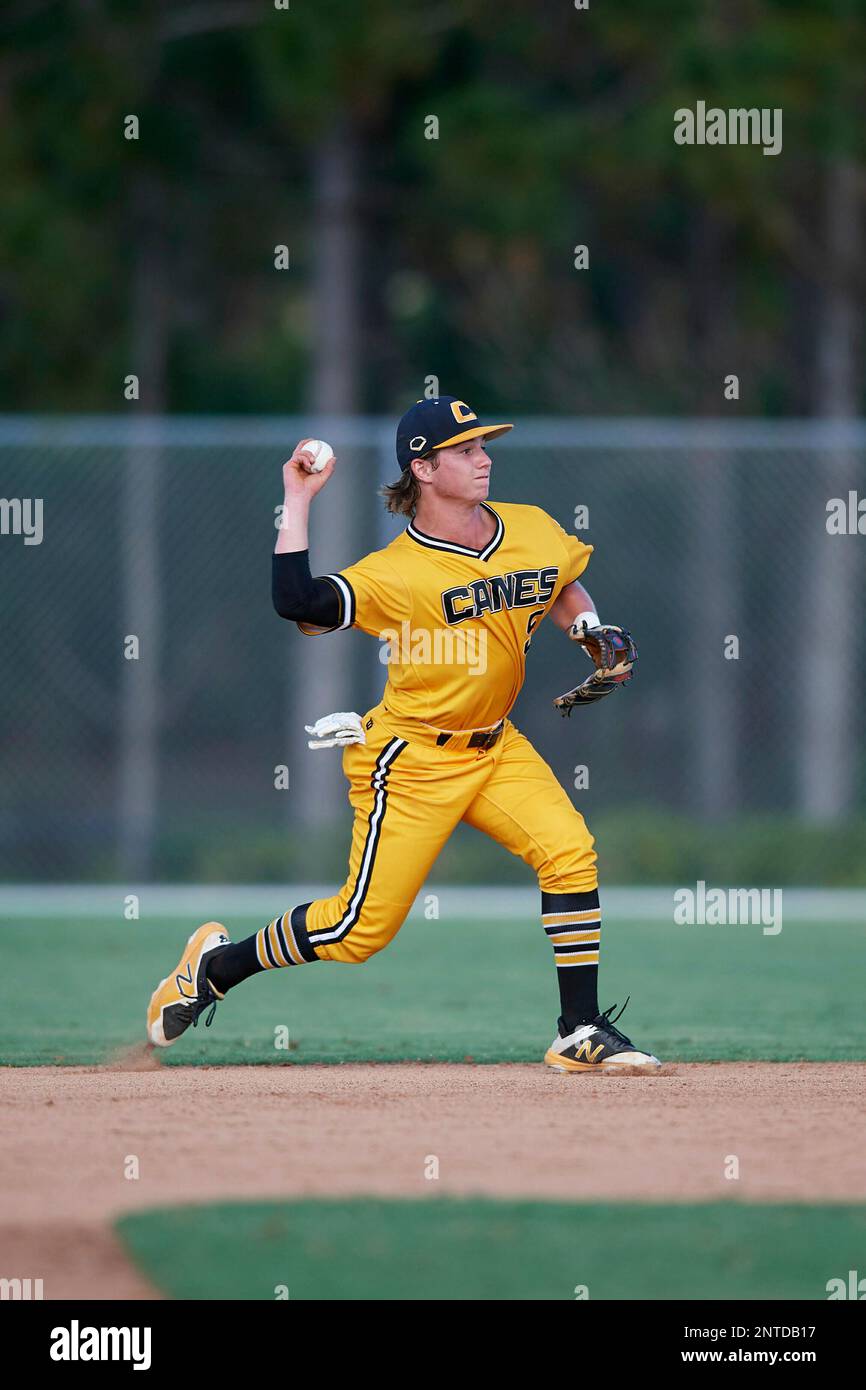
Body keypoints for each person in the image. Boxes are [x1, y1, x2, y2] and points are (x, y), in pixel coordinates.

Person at [146, 396, 660, 1071]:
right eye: (467, 449)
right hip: (411, 756)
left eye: (484, 445)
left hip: (496, 746)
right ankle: (214, 968)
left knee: (570, 853)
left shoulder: (530, 526)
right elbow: (296, 603)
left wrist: (591, 631)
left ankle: (579, 1031)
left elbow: (561, 583)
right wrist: (296, 498)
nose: (485, 458)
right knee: (359, 930)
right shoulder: (396, 571)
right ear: (422, 467)